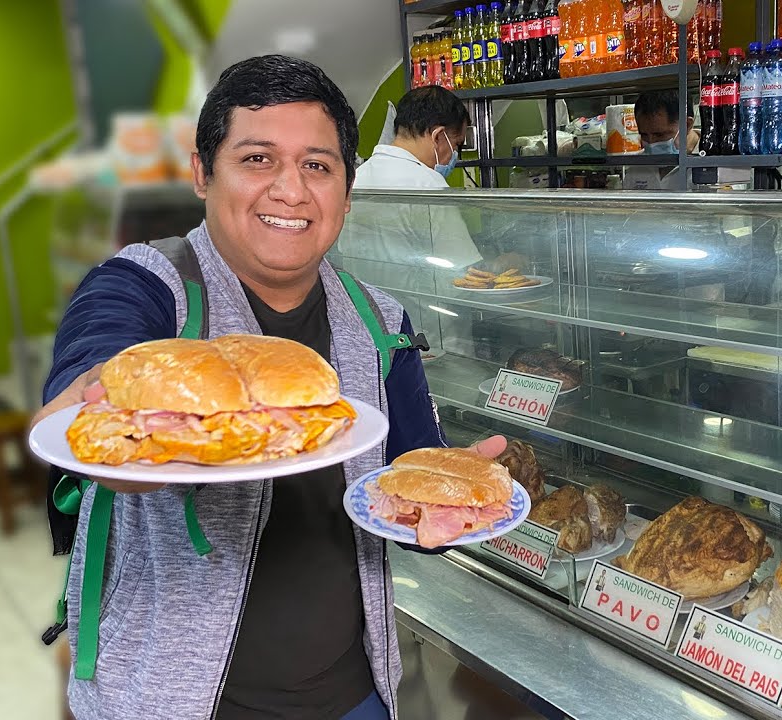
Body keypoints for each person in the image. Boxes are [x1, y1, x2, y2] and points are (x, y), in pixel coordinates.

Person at [33, 55, 504, 720]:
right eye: (257, 159)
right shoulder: (142, 284)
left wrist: (453, 501)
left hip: (353, 695)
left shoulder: (381, 322)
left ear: (346, 189)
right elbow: (99, 361)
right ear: (203, 172)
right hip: (168, 699)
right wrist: (121, 429)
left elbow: (400, 489)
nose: (291, 190)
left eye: (318, 165)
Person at [344, 85, 482, 269]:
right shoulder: (429, 184)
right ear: (438, 136)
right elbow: (462, 267)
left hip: (361, 295)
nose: (454, 154)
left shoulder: (357, 177)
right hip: (415, 298)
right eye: (456, 145)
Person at [625, 90, 699, 191]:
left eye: (659, 135)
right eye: (644, 135)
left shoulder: (718, 164)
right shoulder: (637, 167)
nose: (651, 143)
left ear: (687, 125)